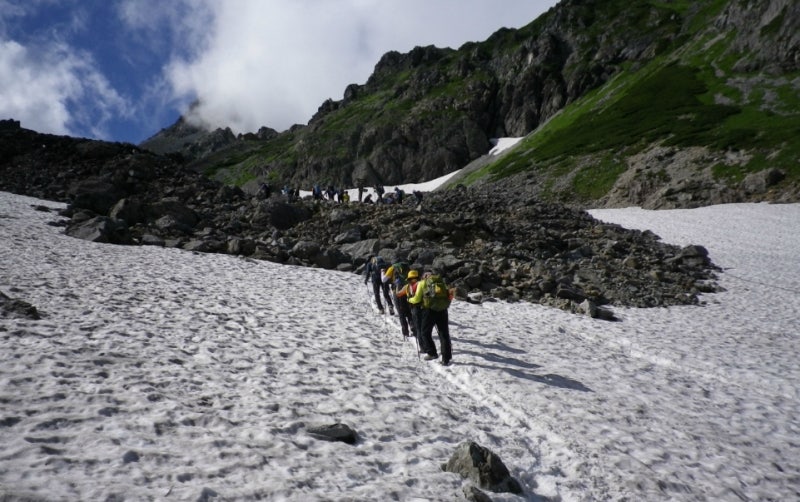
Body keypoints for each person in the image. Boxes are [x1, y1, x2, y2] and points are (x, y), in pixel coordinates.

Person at [409, 270, 453, 365]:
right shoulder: (441, 282)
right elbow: (448, 295)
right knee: (444, 334)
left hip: (429, 311)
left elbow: (417, 299)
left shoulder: (422, 283)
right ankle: (446, 358)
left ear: (424, 276)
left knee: (425, 332)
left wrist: (409, 299)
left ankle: (432, 353)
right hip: (443, 310)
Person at [383, 262, 414, 338]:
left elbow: (384, 280)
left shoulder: (392, 268)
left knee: (401, 313)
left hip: (397, 292)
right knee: (409, 311)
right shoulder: (407, 267)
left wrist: (383, 273)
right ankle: (413, 327)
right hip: (407, 290)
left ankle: (405, 332)